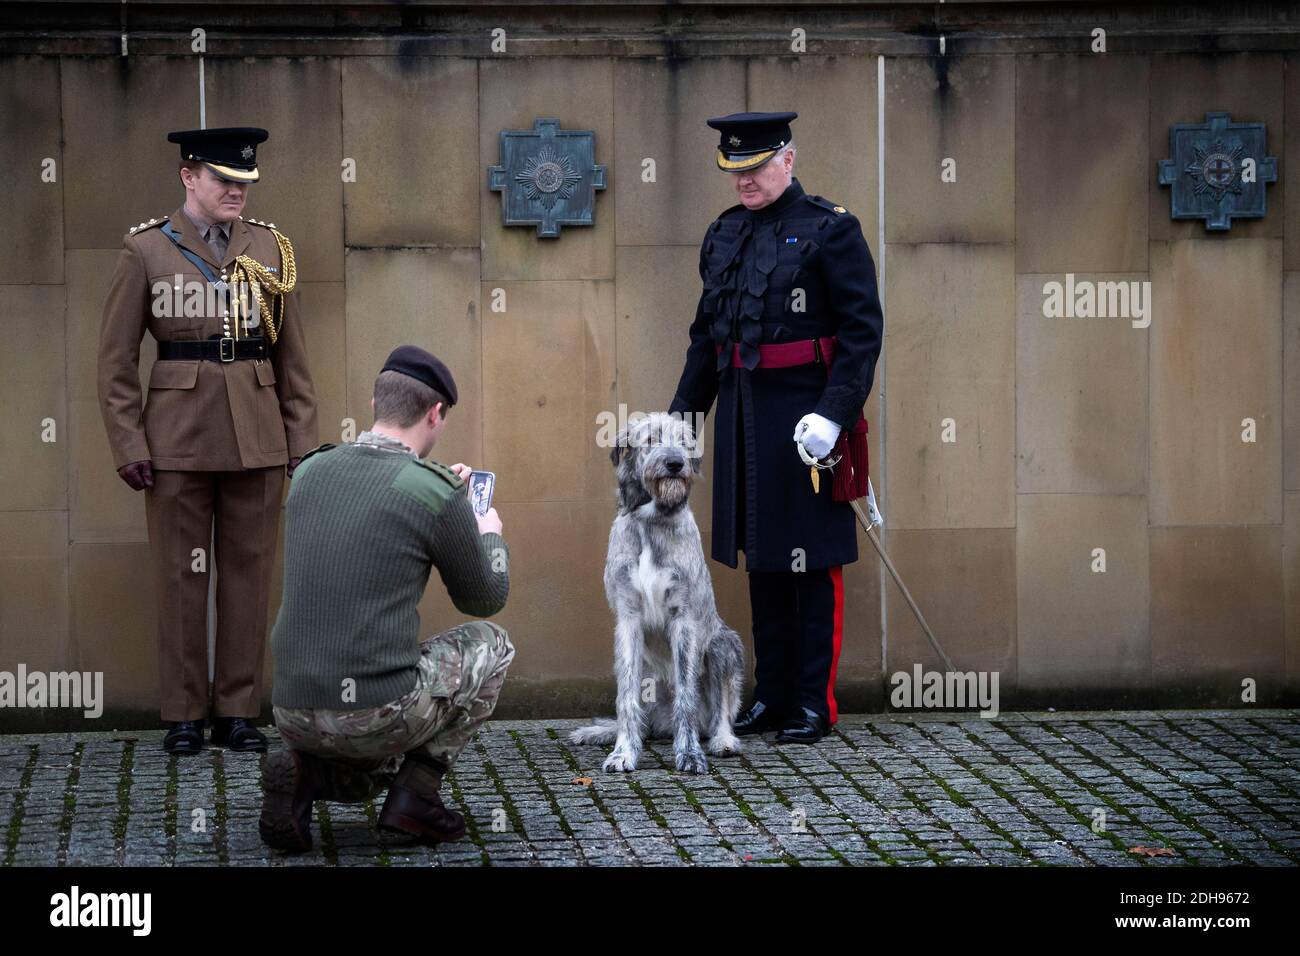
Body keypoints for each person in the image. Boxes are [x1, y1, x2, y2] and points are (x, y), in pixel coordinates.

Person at [97, 127, 318, 754]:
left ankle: (238, 712)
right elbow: (115, 360)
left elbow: (293, 358)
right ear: (188, 175)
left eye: (245, 182)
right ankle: (185, 713)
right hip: (175, 440)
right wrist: (129, 444)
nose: (237, 193)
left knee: (249, 577)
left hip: (256, 436)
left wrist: (301, 443)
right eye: (224, 180)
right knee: (180, 576)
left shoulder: (270, 248)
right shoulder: (145, 250)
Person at [668, 111, 883, 744]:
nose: (744, 181)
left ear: (787, 160)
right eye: (734, 170)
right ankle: (773, 694)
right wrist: (683, 421)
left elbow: (862, 333)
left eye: (756, 168)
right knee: (764, 559)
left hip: (807, 418)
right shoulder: (723, 235)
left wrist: (836, 415)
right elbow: (707, 337)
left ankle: (814, 703)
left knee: (812, 561)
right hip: (742, 411)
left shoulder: (831, 229)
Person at [261, 345, 513, 852]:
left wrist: (445, 497)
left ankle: (307, 773)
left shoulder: (310, 471)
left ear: (377, 402)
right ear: (436, 412)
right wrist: (486, 530)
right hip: (372, 712)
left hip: (290, 706)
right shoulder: (435, 491)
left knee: (361, 745)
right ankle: (414, 799)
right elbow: (485, 598)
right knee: (495, 643)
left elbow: (374, 511)